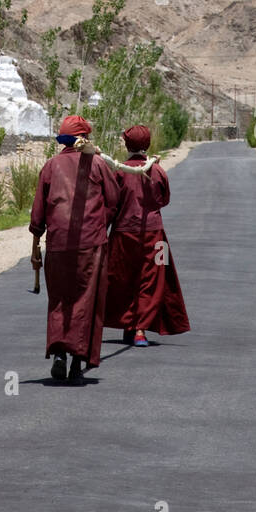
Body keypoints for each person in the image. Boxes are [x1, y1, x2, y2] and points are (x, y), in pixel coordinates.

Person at [30, 114, 120, 384]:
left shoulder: (50, 166)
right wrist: (99, 224)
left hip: (57, 246)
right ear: (85, 138)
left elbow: (38, 215)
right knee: (85, 300)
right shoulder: (98, 164)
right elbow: (114, 199)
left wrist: (35, 247)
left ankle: (59, 355)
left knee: (59, 300)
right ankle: (77, 364)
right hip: (90, 246)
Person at [103, 124, 190, 347]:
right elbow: (164, 199)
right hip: (155, 237)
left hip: (123, 235)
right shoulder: (158, 171)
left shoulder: (119, 171)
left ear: (127, 144)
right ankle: (139, 329)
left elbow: (111, 203)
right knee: (152, 280)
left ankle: (132, 326)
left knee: (124, 278)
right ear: (147, 145)